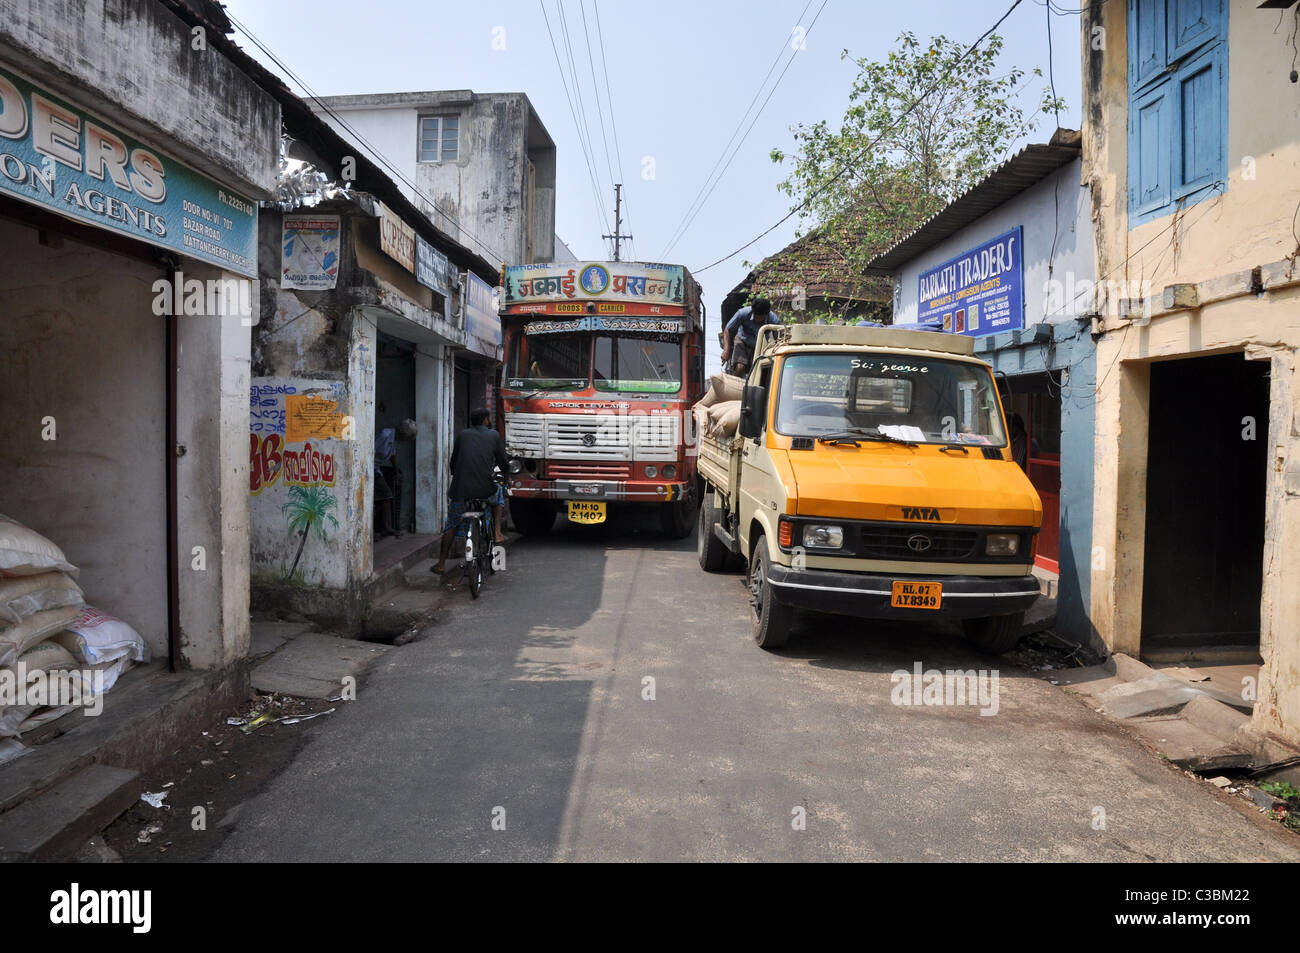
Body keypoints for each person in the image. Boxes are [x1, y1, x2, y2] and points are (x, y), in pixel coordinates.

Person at [432, 408, 509, 574]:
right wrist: (506, 474)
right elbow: (503, 462)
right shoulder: (494, 435)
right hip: (485, 490)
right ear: (485, 421)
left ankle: (441, 564)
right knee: (499, 497)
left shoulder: (463, 435)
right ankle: (497, 533)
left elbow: (453, 463)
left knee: (451, 524)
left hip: (461, 490)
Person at [374, 418, 417, 538]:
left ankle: (386, 527)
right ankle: (381, 527)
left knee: (385, 497)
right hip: (371, 469)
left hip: (376, 470)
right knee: (385, 496)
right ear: (403, 434)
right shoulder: (385, 435)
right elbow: (371, 451)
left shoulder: (393, 439)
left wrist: (396, 469)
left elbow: (392, 454)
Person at [721, 297, 781, 377]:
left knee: (757, 372)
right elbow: (727, 329)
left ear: (766, 314)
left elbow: (779, 340)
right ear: (753, 311)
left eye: (761, 317)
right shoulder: (742, 313)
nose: (758, 319)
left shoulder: (774, 320)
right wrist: (726, 350)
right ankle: (735, 386)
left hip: (760, 345)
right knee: (740, 367)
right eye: (756, 316)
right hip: (742, 341)